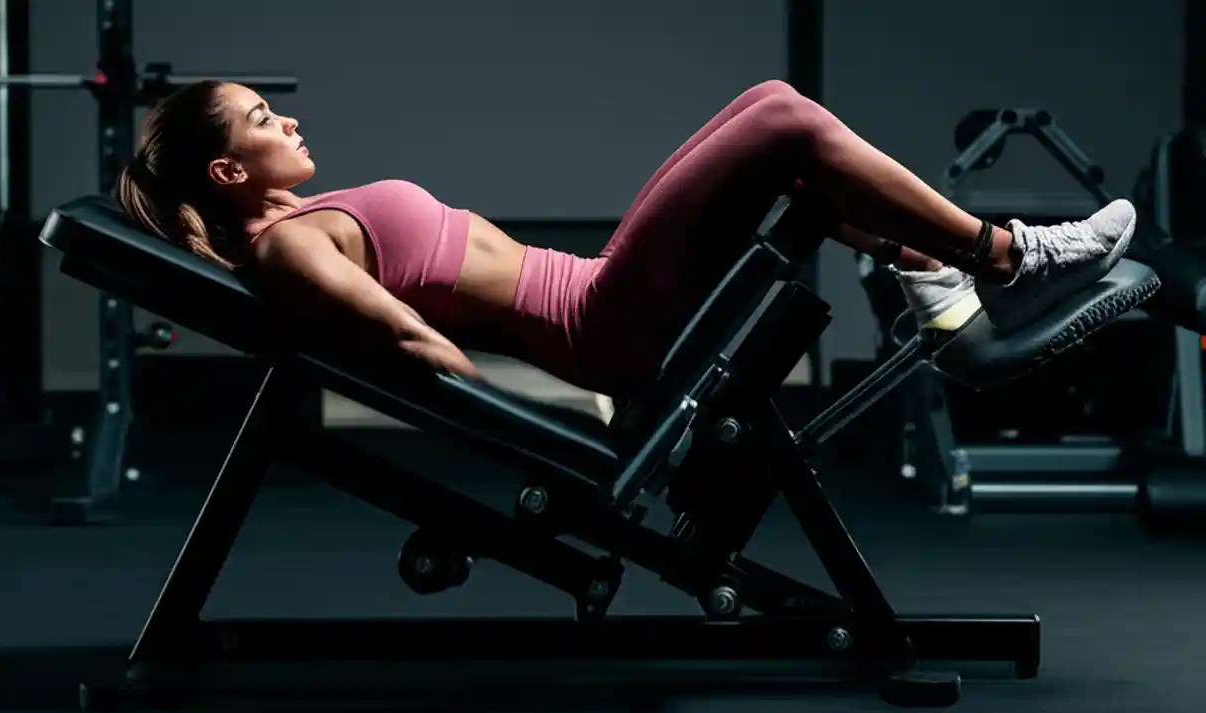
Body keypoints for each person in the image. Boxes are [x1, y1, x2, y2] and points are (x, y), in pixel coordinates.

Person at [117, 79, 1137, 399]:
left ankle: (940, 287)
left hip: (602, 292)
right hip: (605, 326)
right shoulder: (292, 250)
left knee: (782, 144)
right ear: (226, 172)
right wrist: (553, 439)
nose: (287, 122)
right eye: (261, 119)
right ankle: (1007, 255)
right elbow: (406, 347)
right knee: (781, 118)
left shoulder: (301, 221)